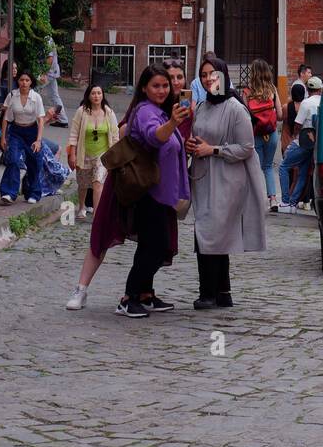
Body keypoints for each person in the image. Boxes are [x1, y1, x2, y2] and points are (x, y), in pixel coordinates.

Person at [65, 66, 191, 318]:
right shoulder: (146, 111)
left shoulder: (160, 110)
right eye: (156, 85)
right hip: (146, 190)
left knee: (152, 244)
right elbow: (154, 137)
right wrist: (173, 123)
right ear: (144, 87)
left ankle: (143, 293)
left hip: (159, 191)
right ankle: (128, 297)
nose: (163, 90)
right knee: (155, 246)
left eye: (166, 85)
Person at [186, 57, 267, 309]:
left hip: (228, 180)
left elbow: (246, 148)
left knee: (209, 233)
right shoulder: (201, 106)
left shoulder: (235, 108)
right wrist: (192, 145)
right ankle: (223, 292)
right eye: (203, 74)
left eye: (213, 74)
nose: (209, 79)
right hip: (205, 178)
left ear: (222, 76)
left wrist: (214, 150)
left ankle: (207, 292)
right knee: (213, 233)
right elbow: (199, 136)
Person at [67, 82, 119, 220]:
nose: (96, 96)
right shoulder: (82, 112)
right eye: (93, 93)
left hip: (102, 155)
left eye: (99, 93)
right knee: (83, 184)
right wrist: (72, 154)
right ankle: (82, 206)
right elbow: (74, 133)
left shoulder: (109, 113)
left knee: (98, 182)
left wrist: (114, 156)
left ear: (103, 95)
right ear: (89, 96)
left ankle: (97, 215)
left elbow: (115, 136)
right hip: (84, 153)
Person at [0, 70, 46, 205]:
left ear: (31, 82)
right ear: (18, 81)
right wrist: (3, 138)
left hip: (32, 131)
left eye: (27, 80)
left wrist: (38, 140)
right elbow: (6, 119)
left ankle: (33, 192)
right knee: (13, 160)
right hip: (16, 131)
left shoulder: (36, 97)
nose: (24, 83)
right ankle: (9, 192)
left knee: (34, 162)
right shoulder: (12, 96)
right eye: (21, 80)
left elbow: (41, 119)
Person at [278, 75, 322, 214]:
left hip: (302, 141)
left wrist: (295, 137)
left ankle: (285, 202)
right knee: (303, 172)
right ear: (320, 89)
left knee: (283, 167)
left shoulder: (306, 103)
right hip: (316, 143)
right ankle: (293, 202)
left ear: (308, 90)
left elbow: (297, 124)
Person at [244, 58, 283, 214]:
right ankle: (273, 198)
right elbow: (280, 115)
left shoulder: (247, 92)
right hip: (271, 133)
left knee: (256, 167)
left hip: (255, 134)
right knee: (268, 166)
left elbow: (245, 117)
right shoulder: (272, 90)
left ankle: (258, 200)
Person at [40, 35, 69, 126]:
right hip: (52, 72)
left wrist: (44, 73)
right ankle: (63, 119)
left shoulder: (46, 39)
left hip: (48, 73)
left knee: (33, 91)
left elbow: (49, 58)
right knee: (54, 95)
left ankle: (34, 118)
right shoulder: (48, 38)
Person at [165, 57, 194, 141]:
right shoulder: (157, 102)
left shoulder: (186, 103)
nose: (176, 82)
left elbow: (184, 135)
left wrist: (187, 144)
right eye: (171, 78)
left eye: (180, 77)